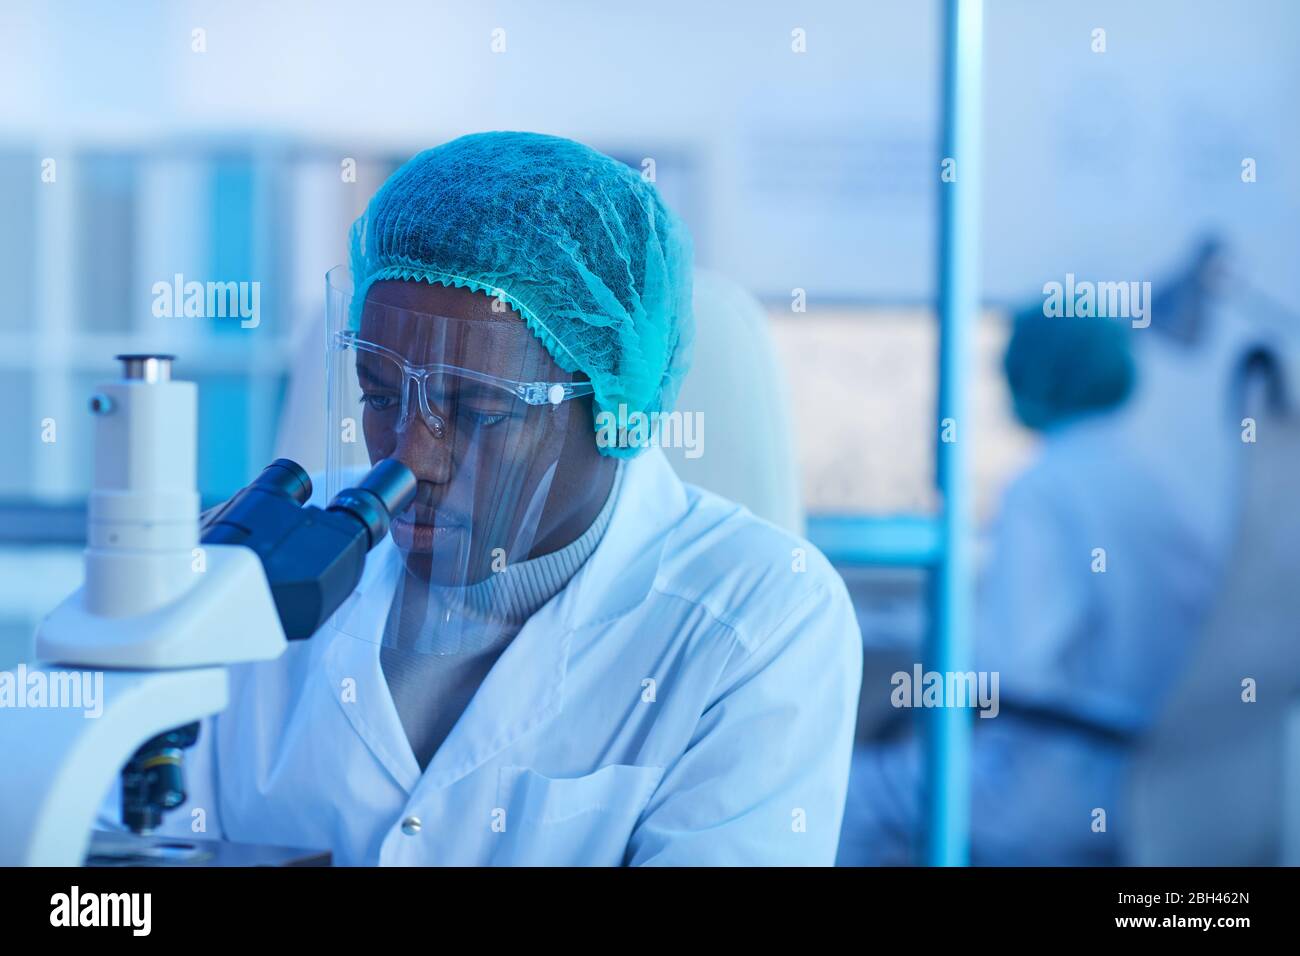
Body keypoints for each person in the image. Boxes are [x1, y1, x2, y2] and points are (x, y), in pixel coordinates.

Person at [99, 132, 862, 866]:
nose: (410, 456)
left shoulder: (762, 619)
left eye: (479, 411)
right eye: (378, 395)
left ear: (614, 409)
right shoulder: (256, 564)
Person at [838, 257, 1261, 865]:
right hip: (1152, 779)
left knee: (848, 797)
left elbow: (1013, 666)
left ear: (1037, 374)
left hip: (1056, 779)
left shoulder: (1046, 484)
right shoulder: (1157, 477)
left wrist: (924, 654)